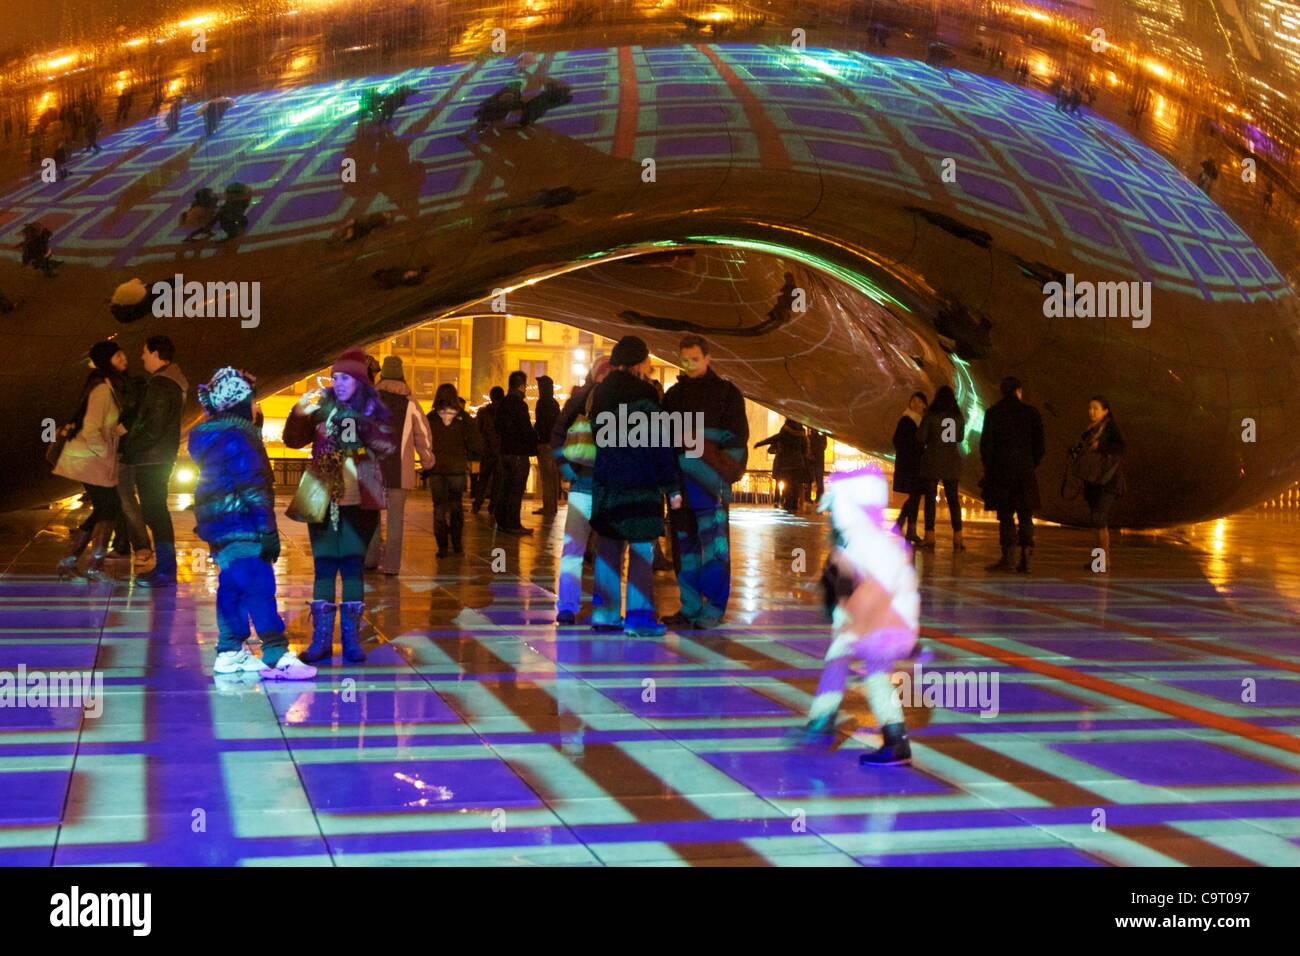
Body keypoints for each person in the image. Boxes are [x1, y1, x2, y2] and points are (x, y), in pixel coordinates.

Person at [189, 368, 315, 680]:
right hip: (242, 524)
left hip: (219, 526)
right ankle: (276, 654)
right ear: (239, 403)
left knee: (231, 588)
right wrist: (268, 532)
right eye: (253, 400)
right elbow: (254, 490)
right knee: (259, 588)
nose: (257, 407)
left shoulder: (213, 435)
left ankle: (230, 652)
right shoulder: (240, 438)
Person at [791, 465, 919, 766]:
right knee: (877, 678)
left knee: (839, 659)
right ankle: (896, 739)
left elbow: (860, 589)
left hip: (876, 625)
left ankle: (823, 719)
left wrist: (851, 622)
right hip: (890, 626)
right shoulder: (881, 539)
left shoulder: (861, 543)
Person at [283, 349, 395, 664]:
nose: (338, 382)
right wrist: (299, 412)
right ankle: (320, 641)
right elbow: (293, 440)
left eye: (345, 377)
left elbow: (387, 446)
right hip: (321, 499)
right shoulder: (321, 405)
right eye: (335, 377)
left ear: (359, 380)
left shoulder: (374, 408)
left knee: (352, 567)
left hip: (360, 502)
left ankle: (351, 640)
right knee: (324, 567)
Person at [589, 336, 682, 637]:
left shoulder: (601, 393)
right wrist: (672, 486)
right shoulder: (646, 396)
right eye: (647, 361)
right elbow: (659, 445)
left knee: (609, 548)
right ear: (640, 363)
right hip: (641, 484)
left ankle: (605, 615)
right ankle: (639, 619)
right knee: (642, 551)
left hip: (608, 484)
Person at [661, 334, 748, 630]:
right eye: (684, 360)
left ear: (708, 358)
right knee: (683, 546)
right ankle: (691, 606)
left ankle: (712, 608)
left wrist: (714, 472)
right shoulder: (673, 396)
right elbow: (665, 443)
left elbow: (737, 442)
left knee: (714, 547)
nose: (689, 365)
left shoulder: (727, 394)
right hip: (681, 488)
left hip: (710, 488)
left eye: (694, 359)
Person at [53, 342, 130, 581]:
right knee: (110, 507)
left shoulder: (107, 384)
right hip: (90, 460)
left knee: (106, 508)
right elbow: (91, 428)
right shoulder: (103, 389)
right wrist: (106, 450)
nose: (124, 358)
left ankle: (73, 562)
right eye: (118, 355)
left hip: (93, 459)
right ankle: (90, 564)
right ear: (107, 360)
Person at [121, 336, 187, 588]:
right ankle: (166, 567)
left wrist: (130, 447)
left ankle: (166, 569)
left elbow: (153, 426)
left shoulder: (161, 384)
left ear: (156, 353)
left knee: (155, 512)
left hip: (152, 458)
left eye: (145, 352)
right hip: (158, 455)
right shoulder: (171, 381)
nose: (142, 357)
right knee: (155, 511)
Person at [550, 357, 611, 625]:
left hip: (584, 485)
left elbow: (557, 434)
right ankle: (601, 607)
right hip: (598, 487)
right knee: (605, 551)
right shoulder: (589, 398)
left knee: (573, 550)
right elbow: (557, 434)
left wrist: (566, 469)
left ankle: (568, 606)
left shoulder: (581, 397)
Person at [366, 356, 434, 574]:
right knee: (396, 519)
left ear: (383, 374)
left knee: (371, 518)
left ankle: (370, 559)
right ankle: (392, 566)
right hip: (401, 471)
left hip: (373, 470)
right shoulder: (411, 404)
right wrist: (427, 459)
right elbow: (422, 434)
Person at [980, 376, 1045, 573]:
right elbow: (1040, 446)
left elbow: (985, 446)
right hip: (1025, 472)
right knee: (1026, 515)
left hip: (1001, 473)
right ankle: (1026, 558)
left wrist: (990, 467)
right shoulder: (1031, 413)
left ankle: (1008, 557)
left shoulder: (993, 413)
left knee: (1006, 516)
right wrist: (1030, 463)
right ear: (1018, 391)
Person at [1067, 396, 1127, 571]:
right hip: (1093, 480)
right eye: (1090, 408)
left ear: (1105, 411)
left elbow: (1121, 448)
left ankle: (1102, 561)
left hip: (1107, 481)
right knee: (1095, 520)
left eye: (1095, 408)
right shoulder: (1090, 430)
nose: (1091, 412)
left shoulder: (1110, 428)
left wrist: (1100, 447)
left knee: (1099, 519)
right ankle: (1099, 559)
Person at [425, 383, 483, 556]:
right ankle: (457, 543)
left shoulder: (431, 418)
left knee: (439, 507)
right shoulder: (464, 418)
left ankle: (442, 546)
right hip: (457, 469)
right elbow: (476, 443)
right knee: (456, 506)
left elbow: (424, 441)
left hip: (436, 469)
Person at [916, 384, 965, 551]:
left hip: (933, 460)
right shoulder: (957, 416)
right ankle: (958, 536)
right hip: (951, 461)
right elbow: (959, 437)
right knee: (953, 500)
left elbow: (921, 437)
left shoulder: (931, 415)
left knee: (930, 499)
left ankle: (930, 535)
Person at [494, 370, 536, 535]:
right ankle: (513, 523)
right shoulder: (520, 405)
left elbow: (497, 427)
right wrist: (533, 442)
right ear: (521, 386)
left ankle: (502, 520)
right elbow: (525, 429)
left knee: (505, 486)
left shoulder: (503, 403)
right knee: (516, 489)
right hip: (518, 452)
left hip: (505, 451)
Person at [890, 392, 928, 544]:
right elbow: (898, 441)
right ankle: (907, 528)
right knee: (915, 495)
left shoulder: (921, 421)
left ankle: (902, 525)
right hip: (910, 465)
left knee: (915, 496)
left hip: (915, 464)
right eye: (913, 401)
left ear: (925, 405)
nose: (916, 404)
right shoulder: (907, 420)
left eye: (919, 402)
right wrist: (915, 449)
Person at [756, 418, 810, 513]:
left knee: (787, 484)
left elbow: (774, 438)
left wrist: (760, 443)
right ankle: (794, 505)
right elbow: (805, 448)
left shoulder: (785, 431)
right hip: (797, 463)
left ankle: (788, 504)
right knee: (795, 485)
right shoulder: (802, 433)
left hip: (786, 463)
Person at [472, 386, 504, 515]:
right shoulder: (505, 412)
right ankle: (494, 505)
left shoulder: (483, 412)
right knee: (498, 480)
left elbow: (477, 430)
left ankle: (477, 504)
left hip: (488, 449)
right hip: (501, 450)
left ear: (491, 397)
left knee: (483, 479)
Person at [532, 374, 560, 517]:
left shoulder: (542, 402)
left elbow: (540, 423)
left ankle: (548, 507)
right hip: (553, 444)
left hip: (544, 443)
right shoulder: (554, 403)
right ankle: (552, 505)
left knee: (546, 477)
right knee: (552, 477)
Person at [807, 429, 828, 504]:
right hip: (819, 462)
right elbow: (823, 447)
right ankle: (818, 498)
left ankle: (808, 498)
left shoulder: (809, 437)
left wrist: (810, 455)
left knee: (809, 481)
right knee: (819, 481)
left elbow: (807, 448)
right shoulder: (821, 438)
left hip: (811, 462)